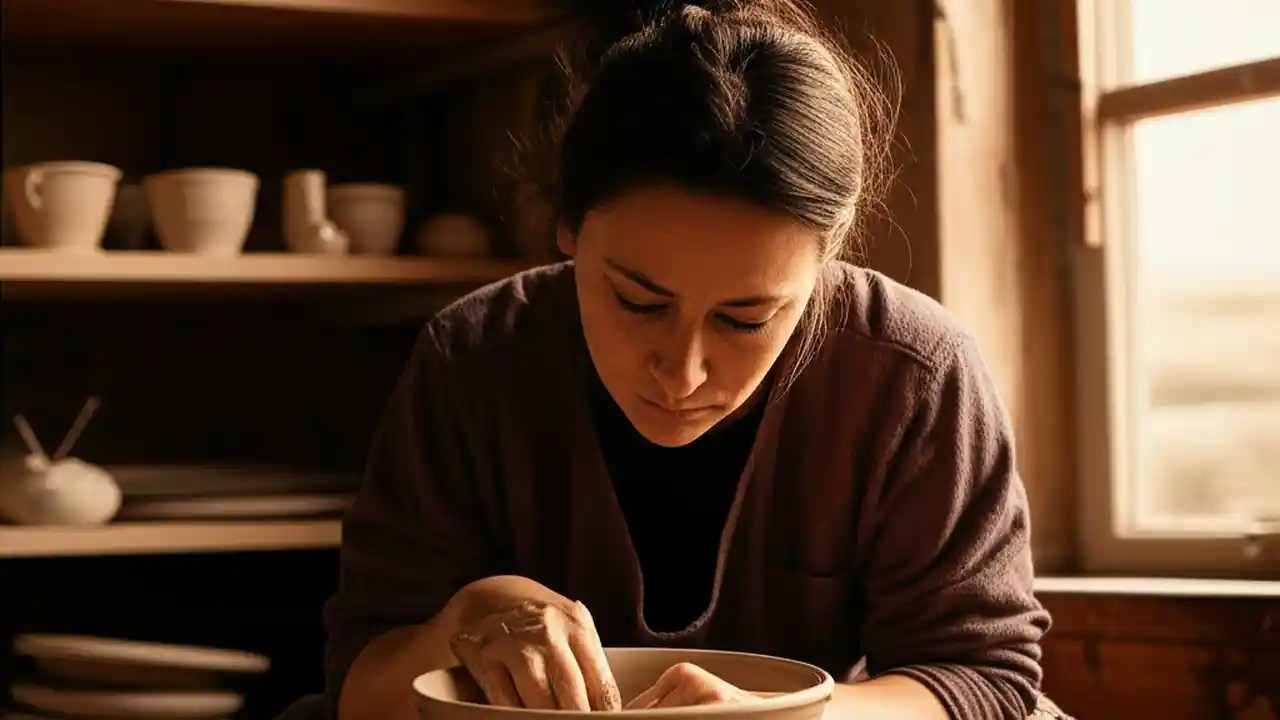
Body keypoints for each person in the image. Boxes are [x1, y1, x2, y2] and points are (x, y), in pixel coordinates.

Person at [322, 1, 1054, 719]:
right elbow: (357, 688)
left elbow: (984, 677)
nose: (683, 374)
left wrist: (792, 714)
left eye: (747, 318)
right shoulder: (474, 356)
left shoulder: (912, 372)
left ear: (826, 261)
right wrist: (465, 617)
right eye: (638, 303)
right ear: (568, 228)